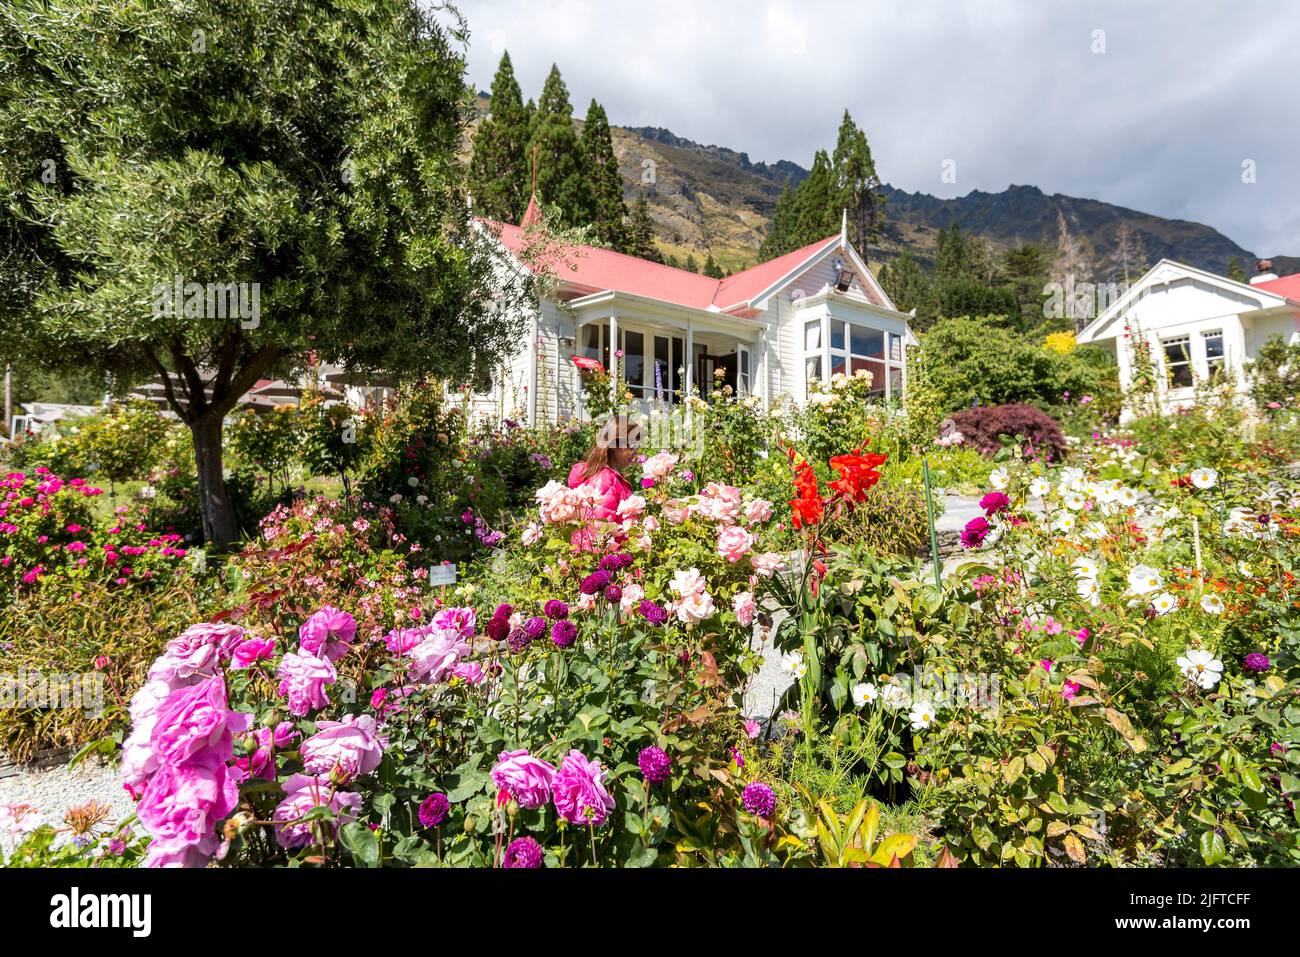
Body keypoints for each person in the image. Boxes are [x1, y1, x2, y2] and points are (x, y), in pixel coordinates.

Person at [567, 417, 636, 526]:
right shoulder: (604, 479)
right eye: (632, 446)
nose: (635, 452)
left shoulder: (609, 475)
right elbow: (600, 530)